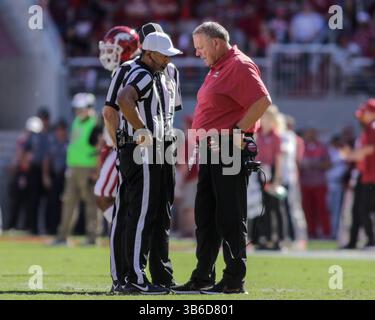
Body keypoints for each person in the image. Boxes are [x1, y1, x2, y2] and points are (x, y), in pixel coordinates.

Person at [172, 22, 272, 294]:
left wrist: (237, 132)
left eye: (201, 47)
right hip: (211, 150)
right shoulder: (218, 68)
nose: (198, 53)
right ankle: (203, 275)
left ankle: (233, 280)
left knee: (230, 216)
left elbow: (262, 101)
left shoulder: (239, 64)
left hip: (227, 150)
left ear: (216, 42)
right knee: (206, 217)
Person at [112, 31, 182, 295]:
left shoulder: (156, 73)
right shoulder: (142, 73)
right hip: (143, 151)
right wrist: (142, 130)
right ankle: (135, 278)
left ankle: (141, 275)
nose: (167, 59)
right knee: (140, 215)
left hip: (154, 149)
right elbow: (123, 99)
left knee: (148, 214)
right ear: (150, 54)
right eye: (164, 55)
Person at [96, 26, 141, 223]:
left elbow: (110, 112)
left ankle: (124, 232)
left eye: (111, 49)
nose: (106, 54)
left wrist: (115, 144)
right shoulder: (130, 70)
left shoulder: (127, 72)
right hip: (129, 143)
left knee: (103, 195)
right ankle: (127, 232)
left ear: (127, 49)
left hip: (125, 143)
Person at [53, 93, 101, 245]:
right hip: (73, 168)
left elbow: (100, 149)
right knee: (68, 202)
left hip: (88, 168)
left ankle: (92, 238)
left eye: (80, 108)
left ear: (88, 108)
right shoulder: (76, 122)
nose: (77, 111)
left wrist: (96, 170)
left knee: (91, 204)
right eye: (76, 108)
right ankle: (62, 237)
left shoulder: (96, 124)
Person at [341, 99, 375, 249]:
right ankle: (358, 241)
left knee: (365, 209)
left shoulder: (373, 127)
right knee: (359, 209)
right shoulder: (367, 129)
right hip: (365, 174)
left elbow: (370, 149)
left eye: (365, 112)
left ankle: (371, 240)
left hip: (371, 175)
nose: (362, 116)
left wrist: (351, 155)